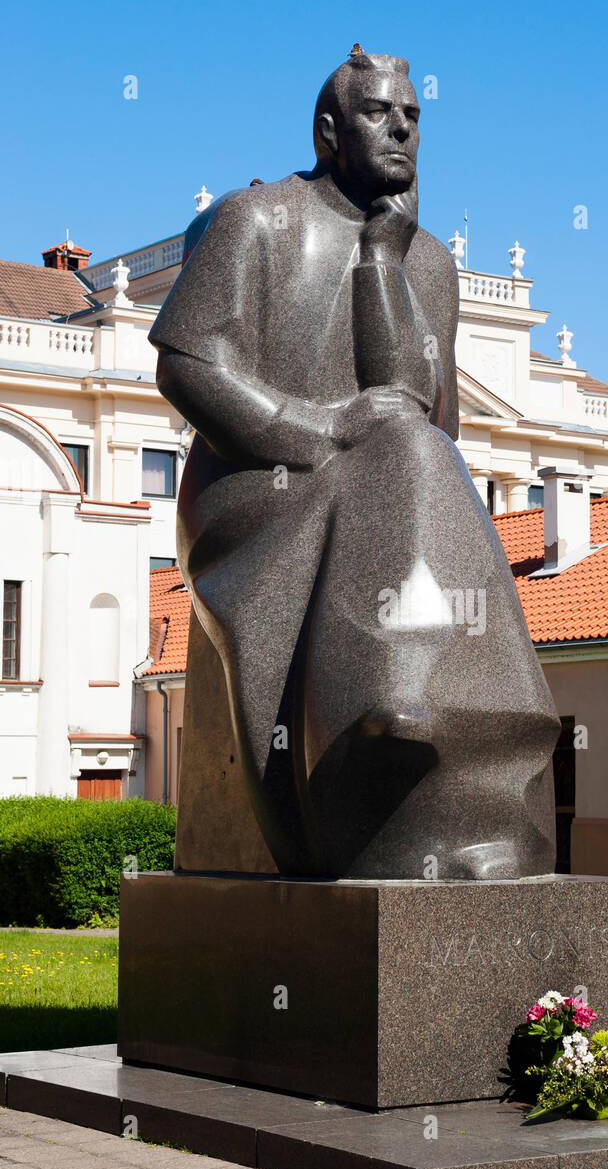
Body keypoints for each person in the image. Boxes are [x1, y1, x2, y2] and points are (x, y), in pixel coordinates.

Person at [149, 47, 558, 880]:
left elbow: (426, 420)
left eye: (413, 114)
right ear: (329, 130)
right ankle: (371, 737)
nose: (403, 126)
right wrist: (320, 430)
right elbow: (188, 365)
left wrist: (384, 261)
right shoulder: (255, 220)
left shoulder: (427, 261)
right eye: (380, 112)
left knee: (409, 445)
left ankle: (473, 753)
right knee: (398, 447)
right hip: (255, 489)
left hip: (385, 485)